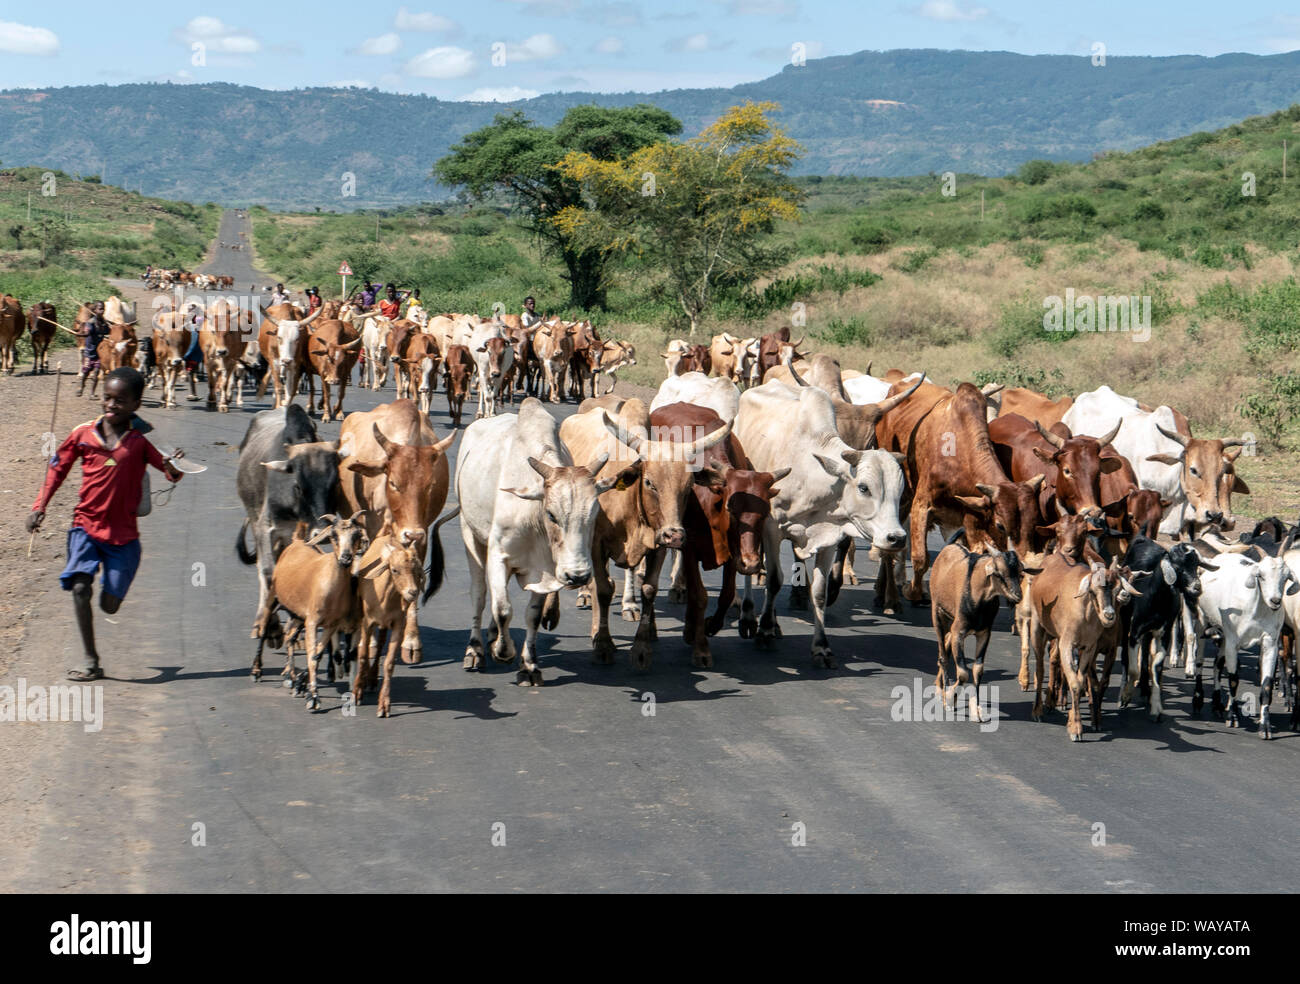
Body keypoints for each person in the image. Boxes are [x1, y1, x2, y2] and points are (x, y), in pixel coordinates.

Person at [26, 367, 185, 681]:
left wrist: (172, 465)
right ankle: (91, 661)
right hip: (85, 527)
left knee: (109, 606)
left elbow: (171, 473)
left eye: (120, 400)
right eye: (107, 398)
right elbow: (56, 470)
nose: (111, 405)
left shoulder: (138, 443)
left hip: (124, 538)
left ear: (136, 405)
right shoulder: (83, 434)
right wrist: (39, 506)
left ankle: (113, 595)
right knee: (80, 588)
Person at [75, 301, 110, 398]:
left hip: (99, 353)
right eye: (100, 309)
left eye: (103, 309)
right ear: (94, 310)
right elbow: (87, 332)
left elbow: (108, 331)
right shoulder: (90, 323)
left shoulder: (103, 323)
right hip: (89, 352)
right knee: (85, 372)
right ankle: (81, 387)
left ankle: (92, 393)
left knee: (96, 373)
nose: (102, 311)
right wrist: (81, 334)